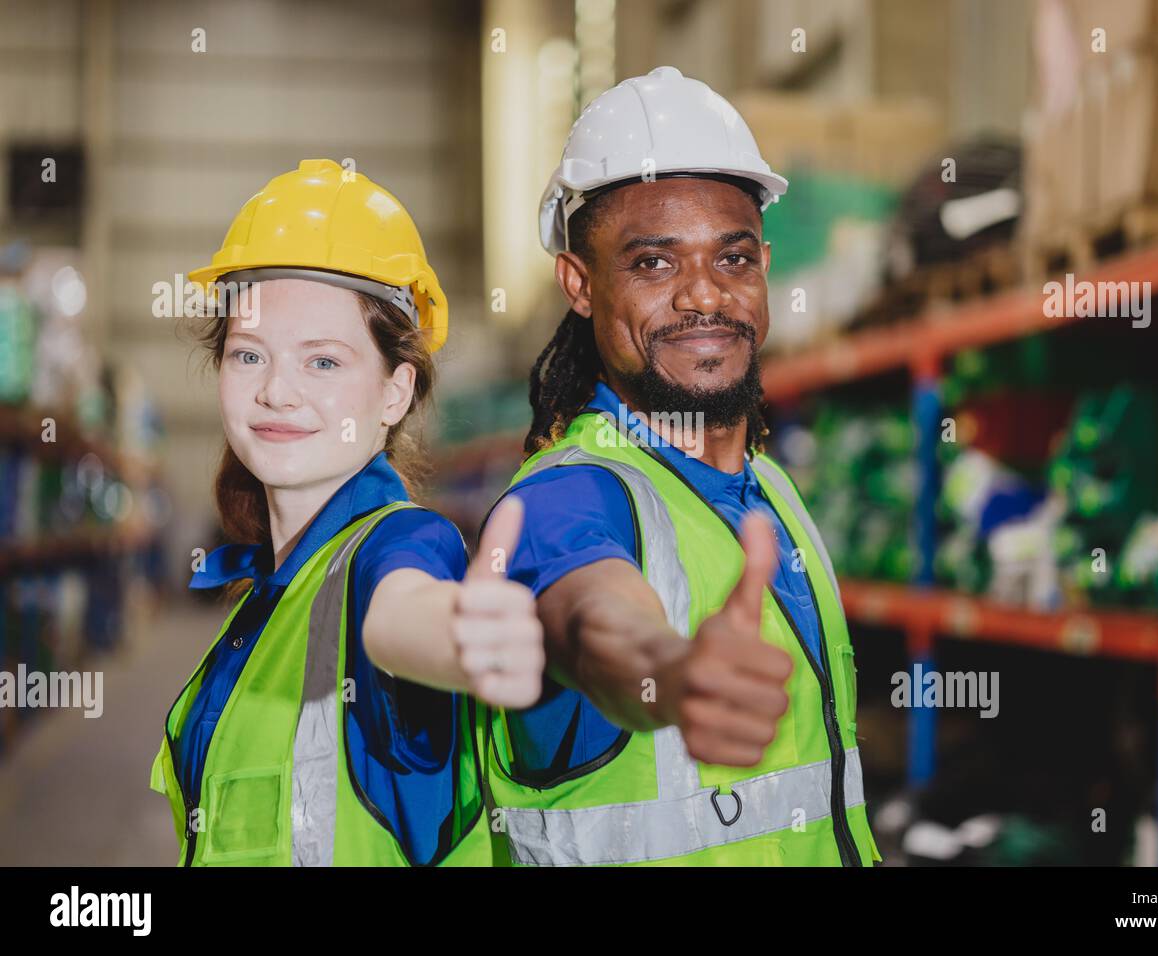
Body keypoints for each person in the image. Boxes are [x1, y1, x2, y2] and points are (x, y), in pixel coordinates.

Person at [481, 67, 884, 866]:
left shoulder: (770, 488)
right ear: (580, 284)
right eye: (654, 265)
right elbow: (595, 622)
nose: (705, 296)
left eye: (732, 259)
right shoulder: (565, 498)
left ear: (765, 267)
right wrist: (674, 672)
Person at [149, 159, 543, 866]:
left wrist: (463, 638)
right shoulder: (272, 596)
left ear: (395, 393)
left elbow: (400, 611)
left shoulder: (398, 545)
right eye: (248, 356)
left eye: (322, 363)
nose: (276, 392)